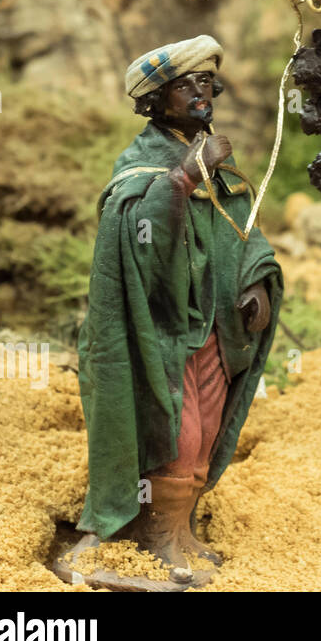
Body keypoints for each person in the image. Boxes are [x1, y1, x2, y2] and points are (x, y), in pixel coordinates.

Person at [74, 33, 281, 573]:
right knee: (177, 433)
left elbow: (243, 232)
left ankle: (181, 530)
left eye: (207, 82)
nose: (201, 92)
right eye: (186, 84)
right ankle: (154, 535)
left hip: (213, 328)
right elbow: (132, 237)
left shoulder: (219, 160)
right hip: (156, 332)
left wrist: (256, 283)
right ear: (155, 99)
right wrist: (185, 177)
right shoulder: (143, 164)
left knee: (206, 432)